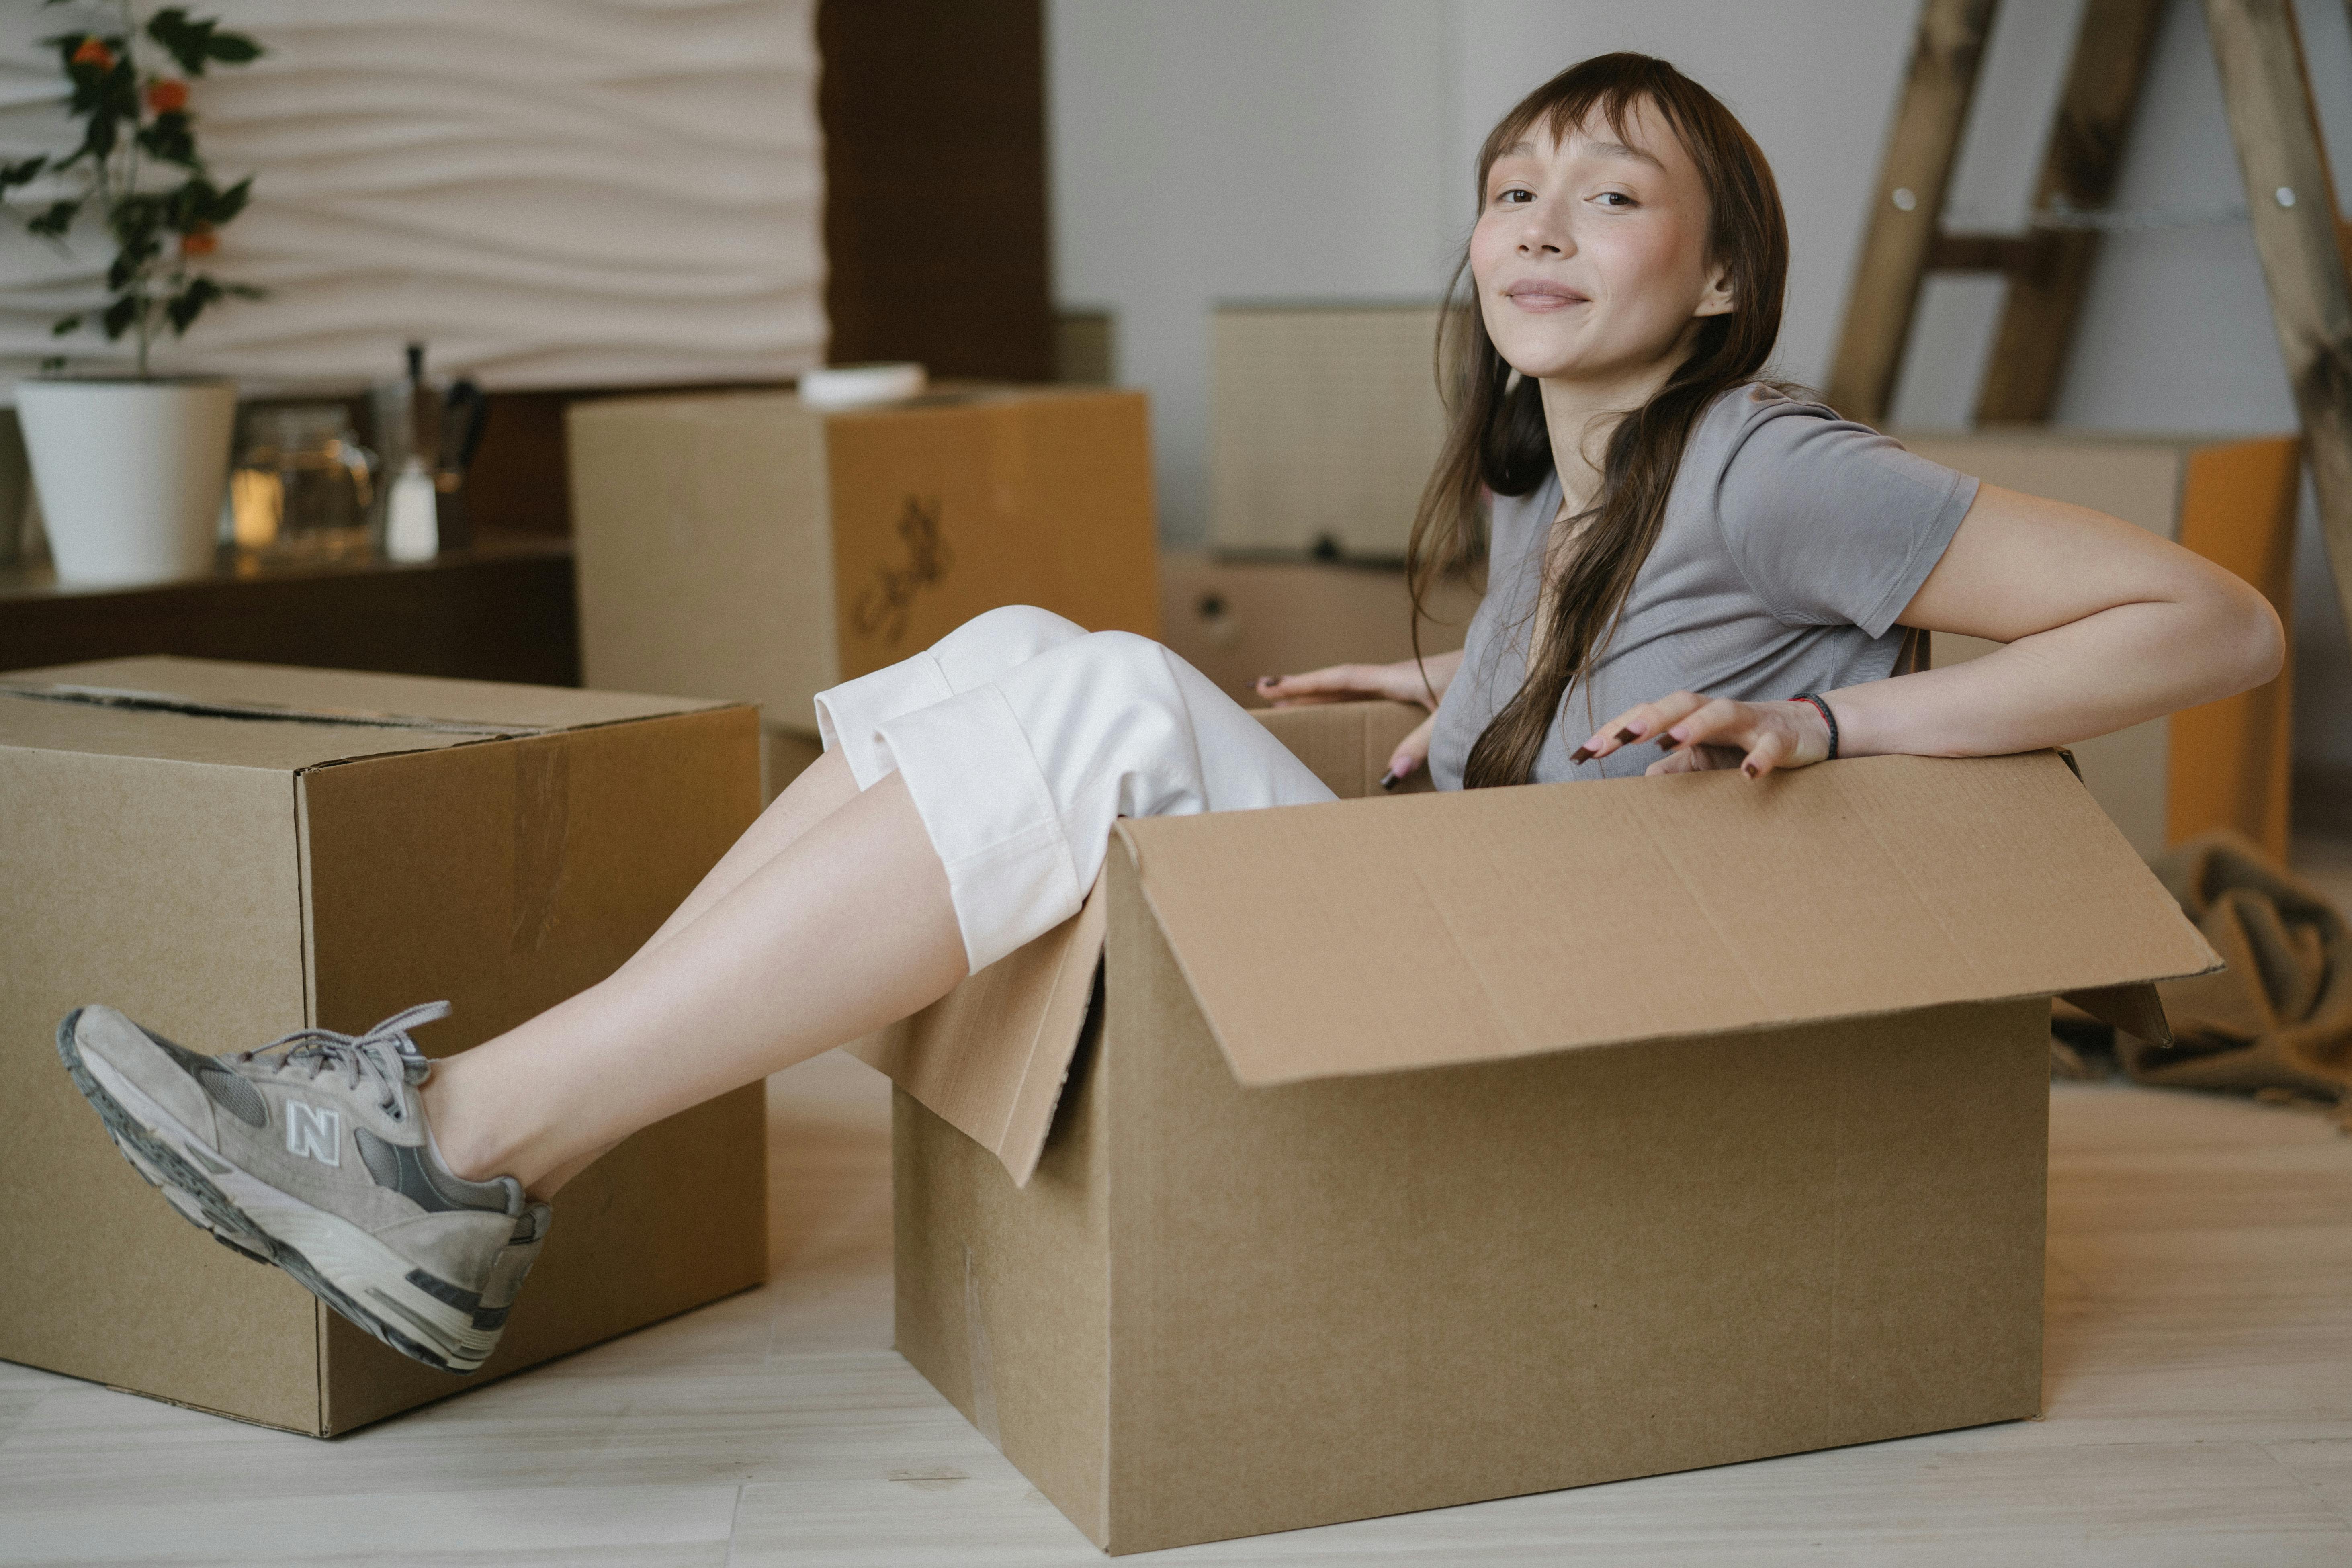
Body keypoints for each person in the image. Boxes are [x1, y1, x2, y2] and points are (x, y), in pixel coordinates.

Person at [57, 53, 2282, 1375]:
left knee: (1105, 695)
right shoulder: (1577, 481)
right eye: (1512, 186)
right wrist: (1467, 677)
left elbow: (2210, 625)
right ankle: (468, 1126)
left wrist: (1838, 738)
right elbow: (1650, 659)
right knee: (1014, 655)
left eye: (1614, 195)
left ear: (1716, 279)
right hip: (1482, 926)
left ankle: (448, 1154)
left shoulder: (1776, 464)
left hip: (1569, 1031)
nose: (1539, 223)